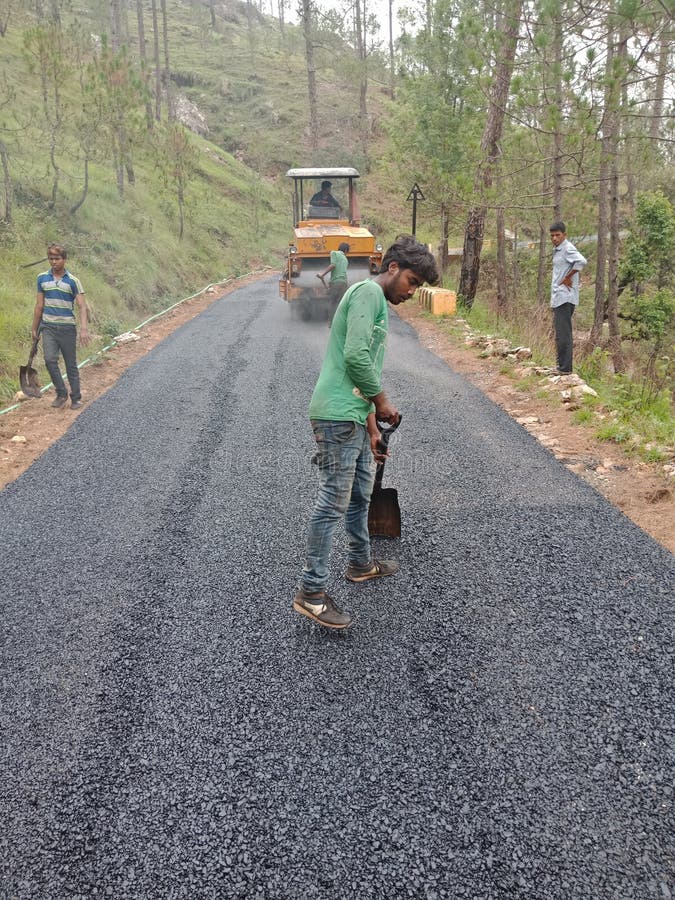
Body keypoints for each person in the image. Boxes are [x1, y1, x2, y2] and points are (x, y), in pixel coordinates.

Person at [293, 235, 439, 630]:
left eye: (419, 287)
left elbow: (364, 374)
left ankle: (360, 563)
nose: (412, 291)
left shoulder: (378, 304)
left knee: (360, 492)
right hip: (337, 416)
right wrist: (384, 403)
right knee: (332, 502)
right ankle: (312, 593)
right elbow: (355, 357)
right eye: (412, 281)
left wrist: (373, 426)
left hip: (354, 417)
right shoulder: (367, 294)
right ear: (392, 268)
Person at [32, 243, 90, 409]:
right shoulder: (42, 278)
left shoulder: (73, 281)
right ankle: (61, 393)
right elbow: (39, 305)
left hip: (67, 328)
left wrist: (83, 329)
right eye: (51, 259)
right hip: (48, 327)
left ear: (64, 259)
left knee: (70, 363)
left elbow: (82, 306)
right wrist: (34, 328)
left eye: (57, 258)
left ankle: (76, 398)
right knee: (50, 360)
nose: (54, 262)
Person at [549, 221, 587, 375]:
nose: (555, 238)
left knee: (564, 334)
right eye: (552, 236)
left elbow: (581, 261)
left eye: (558, 235)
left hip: (565, 297)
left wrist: (568, 277)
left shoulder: (567, 248)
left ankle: (565, 369)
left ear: (564, 235)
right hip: (559, 296)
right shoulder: (558, 249)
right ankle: (561, 366)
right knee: (560, 333)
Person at [317, 242, 350, 314]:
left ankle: (332, 323)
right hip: (344, 284)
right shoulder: (345, 259)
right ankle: (341, 323)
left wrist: (322, 274)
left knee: (332, 304)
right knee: (341, 304)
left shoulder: (334, 253)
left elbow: (333, 265)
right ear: (346, 250)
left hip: (336, 283)